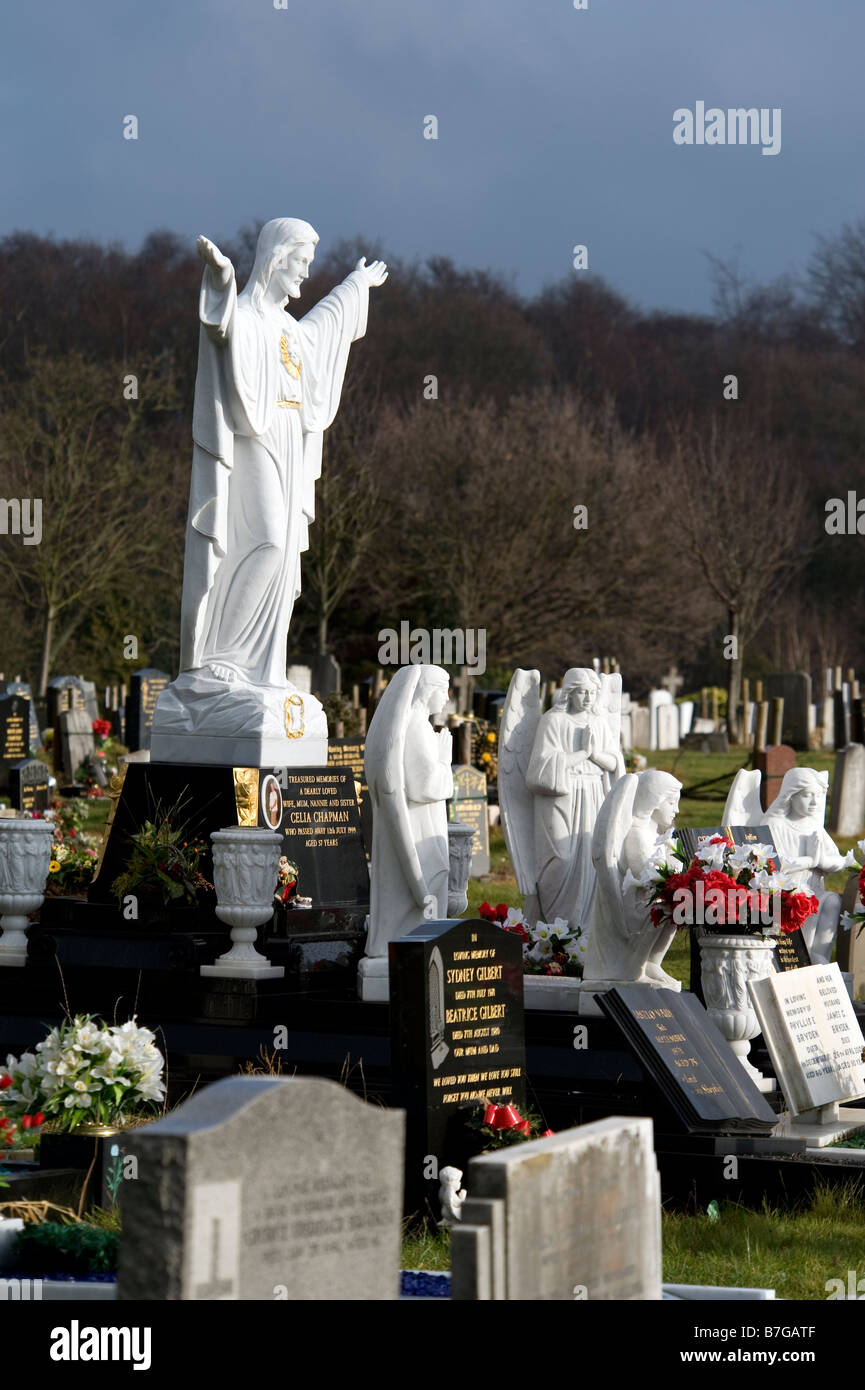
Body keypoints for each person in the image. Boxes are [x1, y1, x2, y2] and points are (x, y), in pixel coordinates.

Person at [525, 668, 625, 933]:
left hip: (593, 792)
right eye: (582, 691)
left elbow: (615, 763)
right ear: (569, 692)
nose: (588, 697)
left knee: (592, 855)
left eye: (592, 692)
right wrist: (583, 752)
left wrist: (593, 755)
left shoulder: (599, 722)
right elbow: (540, 770)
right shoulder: (553, 722)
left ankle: (586, 929)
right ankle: (556, 930)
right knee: (562, 857)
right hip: (561, 796)